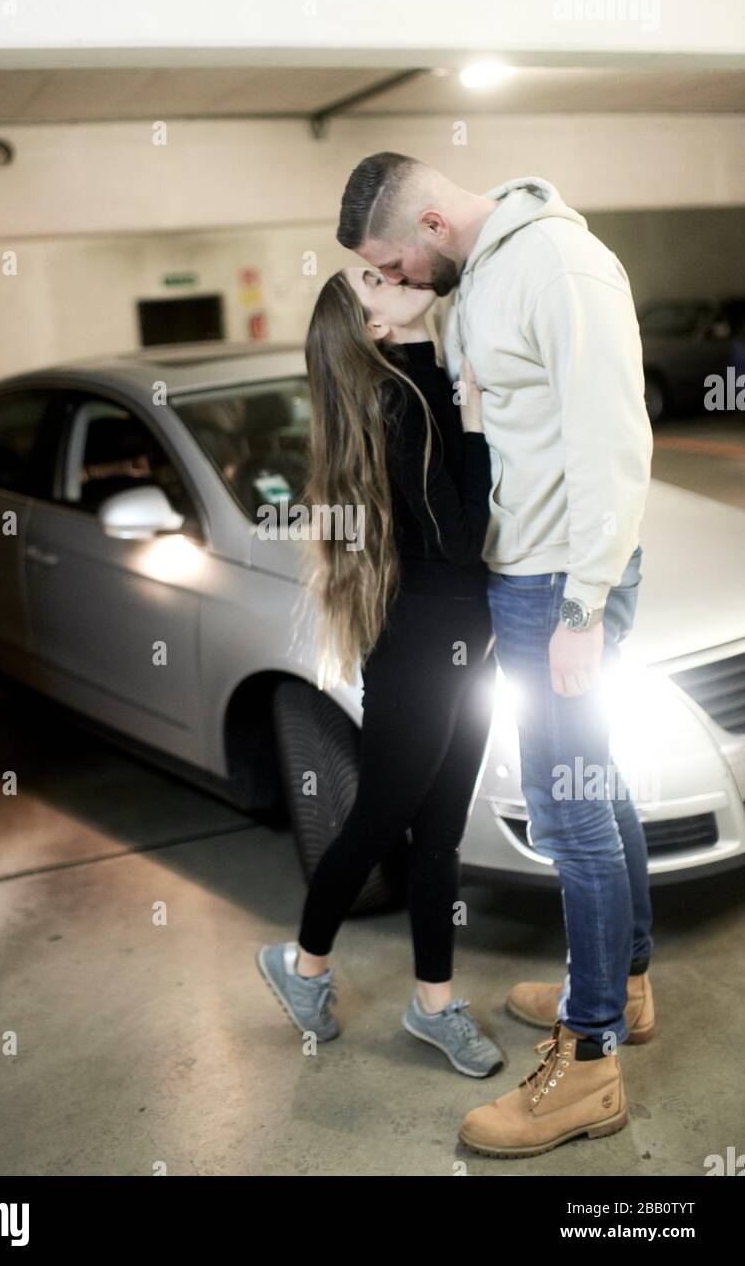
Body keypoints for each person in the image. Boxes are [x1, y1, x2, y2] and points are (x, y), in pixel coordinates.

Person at [336, 152, 655, 1157]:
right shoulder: (475, 284)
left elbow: (615, 441)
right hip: (524, 576)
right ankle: (626, 982)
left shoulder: (560, 269)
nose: (393, 281)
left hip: (562, 583)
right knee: (594, 790)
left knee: (570, 814)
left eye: (393, 261)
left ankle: (591, 1059)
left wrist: (585, 605)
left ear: (431, 220)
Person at [256, 263, 505, 1078]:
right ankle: (302, 969)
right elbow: (461, 539)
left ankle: (432, 1007)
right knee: (380, 821)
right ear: (371, 327)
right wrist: (472, 423)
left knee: (438, 836)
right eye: (374, 280)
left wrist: (458, 400)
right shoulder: (398, 401)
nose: (394, 274)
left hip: (468, 643)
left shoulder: (419, 376)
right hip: (420, 650)